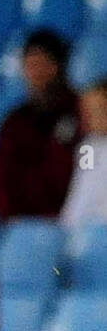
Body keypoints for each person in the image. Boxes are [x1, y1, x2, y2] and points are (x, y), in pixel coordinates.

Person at [0, 29, 80, 222]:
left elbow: (89, 173)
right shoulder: (14, 123)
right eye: (30, 65)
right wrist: (14, 221)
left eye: (43, 64)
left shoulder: (81, 113)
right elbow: (0, 182)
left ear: (58, 66)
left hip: (72, 221)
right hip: (21, 225)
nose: (36, 73)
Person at [60, 77, 107, 229]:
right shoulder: (88, 147)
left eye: (99, 109)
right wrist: (66, 225)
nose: (91, 118)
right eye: (87, 111)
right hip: (85, 230)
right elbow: (80, 190)